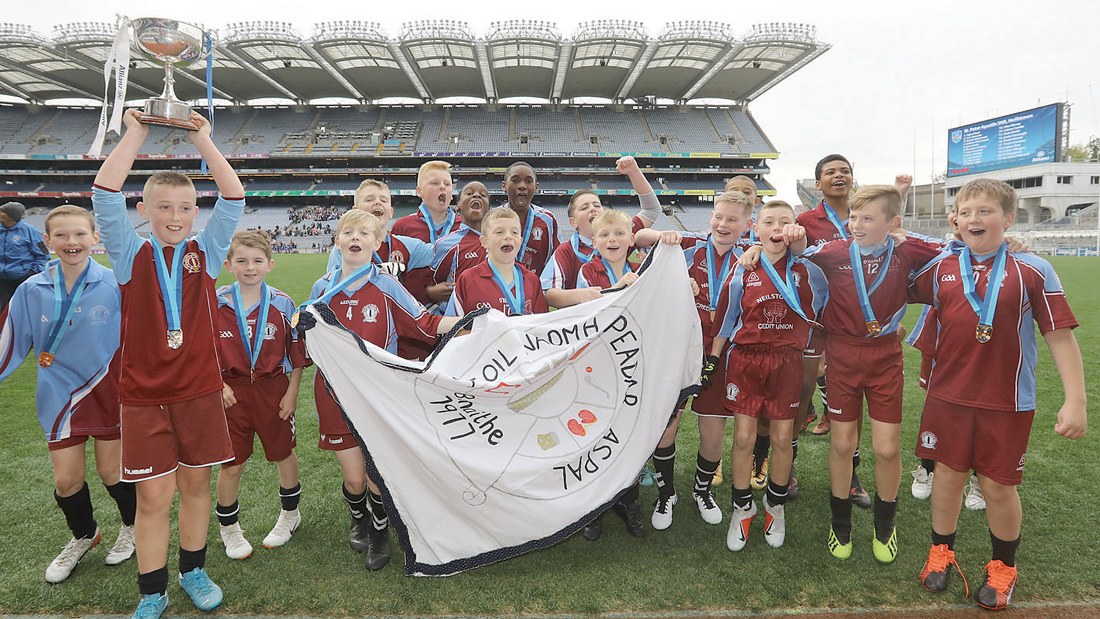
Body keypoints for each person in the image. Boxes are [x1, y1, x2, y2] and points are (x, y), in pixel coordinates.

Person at [92, 109, 245, 619]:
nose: (175, 216)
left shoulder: (209, 248)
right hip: (143, 396)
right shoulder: (127, 250)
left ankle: (194, 569)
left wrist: (203, 139)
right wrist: (136, 132)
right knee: (154, 498)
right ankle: (152, 590)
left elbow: (235, 195)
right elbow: (103, 193)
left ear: (196, 210)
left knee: (196, 485)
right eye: (164, 207)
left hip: (200, 391)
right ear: (144, 208)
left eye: (185, 206)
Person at [910, 179, 1086, 610]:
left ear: (1009, 219)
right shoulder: (941, 267)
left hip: (1006, 401)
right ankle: (941, 551)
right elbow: (892, 273)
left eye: (986, 211)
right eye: (965, 211)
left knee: (998, 486)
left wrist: (1075, 399)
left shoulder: (1033, 269)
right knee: (947, 477)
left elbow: (1059, 336)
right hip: (947, 396)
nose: (974, 219)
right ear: (955, 221)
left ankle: (1003, 566)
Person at [745, 185, 943, 563]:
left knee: (886, 448)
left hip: (885, 356)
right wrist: (752, 248)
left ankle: (885, 525)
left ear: (893, 223)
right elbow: (789, 253)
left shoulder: (907, 249)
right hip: (842, 354)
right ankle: (841, 523)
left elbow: (959, 251)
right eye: (853, 216)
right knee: (841, 444)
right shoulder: (834, 251)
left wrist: (1012, 244)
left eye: (867, 218)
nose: (856, 224)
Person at [303, 210, 461, 572]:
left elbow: (425, 323)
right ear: (338, 240)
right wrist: (301, 327)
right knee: (354, 478)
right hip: (332, 393)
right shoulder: (321, 288)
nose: (355, 238)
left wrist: (469, 321)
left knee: (377, 475)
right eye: (348, 232)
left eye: (364, 233)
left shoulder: (388, 286)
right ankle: (357, 518)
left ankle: (379, 533)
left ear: (377, 244)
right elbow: (306, 344)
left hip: (376, 395)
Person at [0, 205, 136, 583]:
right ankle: (84, 535)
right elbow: (8, 341)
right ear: (47, 242)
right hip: (59, 396)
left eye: (79, 234)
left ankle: (132, 527)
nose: (71, 242)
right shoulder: (32, 288)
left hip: (107, 390)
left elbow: (141, 339)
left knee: (113, 472)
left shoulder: (115, 283)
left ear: (96, 239)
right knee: (66, 481)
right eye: (61, 235)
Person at [708, 200, 827, 551]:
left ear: (795, 229)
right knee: (744, 438)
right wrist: (714, 358)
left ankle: (774, 505)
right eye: (768, 222)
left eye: (785, 222)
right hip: (746, 359)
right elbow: (727, 317)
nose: (777, 228)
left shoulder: (809, 271)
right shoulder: (742, 267)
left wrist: (821, 354)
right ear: (755, 229)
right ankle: (741, 508)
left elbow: (824, 312)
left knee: (781, 438)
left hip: (787, 361)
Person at [633, 190, 753, 531]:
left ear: (747, 226)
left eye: (733, 220)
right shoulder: (688, 244)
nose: (723, 224)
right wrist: (662, 235)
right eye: (719, 216)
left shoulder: (751, 256)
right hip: (680, 347)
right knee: (666, 427)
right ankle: (666, 492)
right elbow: (638, 237)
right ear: (710, 217)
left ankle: (702, 491)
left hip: (724, 352)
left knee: (713, 431)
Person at [213, 231, 310, 560]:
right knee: (232, 464)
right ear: (229, 265)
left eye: (256, 261)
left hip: (274, 391)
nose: (249, 267)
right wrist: (219, 384)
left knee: (284, 453)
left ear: (270, 264)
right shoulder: (217, 302)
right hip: (231, 393)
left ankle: (290, 515)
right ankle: (229, 529)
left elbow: (297, 352)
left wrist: (292, 392)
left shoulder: (282, 302)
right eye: (241, 261)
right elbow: (203, 351)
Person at [541, 156, 660, 309]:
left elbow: (651, 210)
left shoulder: (619, 234)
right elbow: (548, 294)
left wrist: (634, 172)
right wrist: (581, 295)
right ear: (573, 222)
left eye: (597, 205)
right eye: (584, 208)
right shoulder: (566, 252)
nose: (592, 208)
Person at [446, 207, 548, 317]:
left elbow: (543, 326)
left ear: (520, 241)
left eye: (514, 232)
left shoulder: (532, 281)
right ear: (484, 242)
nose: (508, 236)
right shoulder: (467, 280)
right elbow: (453, 329)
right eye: (499, 232)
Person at [326, 179, 433, 282]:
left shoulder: (407, 246)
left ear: (391, 212)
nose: (378, 202)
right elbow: (334, 287)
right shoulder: (345, 247)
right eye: (369, 199)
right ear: (356, 211)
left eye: (383, 200)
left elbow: (442, 252)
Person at [498, 161, 561, 277]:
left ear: (536, 187)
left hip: (537, 289)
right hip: (499, 289)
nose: (522, 186)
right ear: (504, 185)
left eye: (528, 181)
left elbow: (559, 259)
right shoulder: (493, 219)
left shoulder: (548, 220)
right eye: (515, 180)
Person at [431, 181, 490, 288]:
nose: (476, 195)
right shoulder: (445, 245)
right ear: (458, 205)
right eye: (469, 193)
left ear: (488, 208)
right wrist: (432, 291)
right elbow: (432, 281)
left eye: (483, 195)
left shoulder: (498, 242)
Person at [0, 201, 49, 312]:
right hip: (2, 279)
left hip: (23, 277)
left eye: (2, 211)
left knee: (28, 308)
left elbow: (43, 255)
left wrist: (32, 273)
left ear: (11, 215)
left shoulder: (31, 231)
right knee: (5, 310)